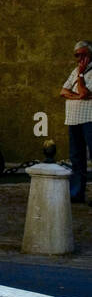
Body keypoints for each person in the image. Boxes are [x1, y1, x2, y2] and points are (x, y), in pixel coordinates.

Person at [60, 39, 92, 204]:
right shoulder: (75, 71)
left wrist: (80, 74)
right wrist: (77, 96)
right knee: (76, 157)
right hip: (73, 119)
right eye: (77, 55)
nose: (79, 59)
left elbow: (84, 92)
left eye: (83, 55)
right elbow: (63, 91)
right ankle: (77, 193)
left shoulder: (84, 72)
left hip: (89, 119)